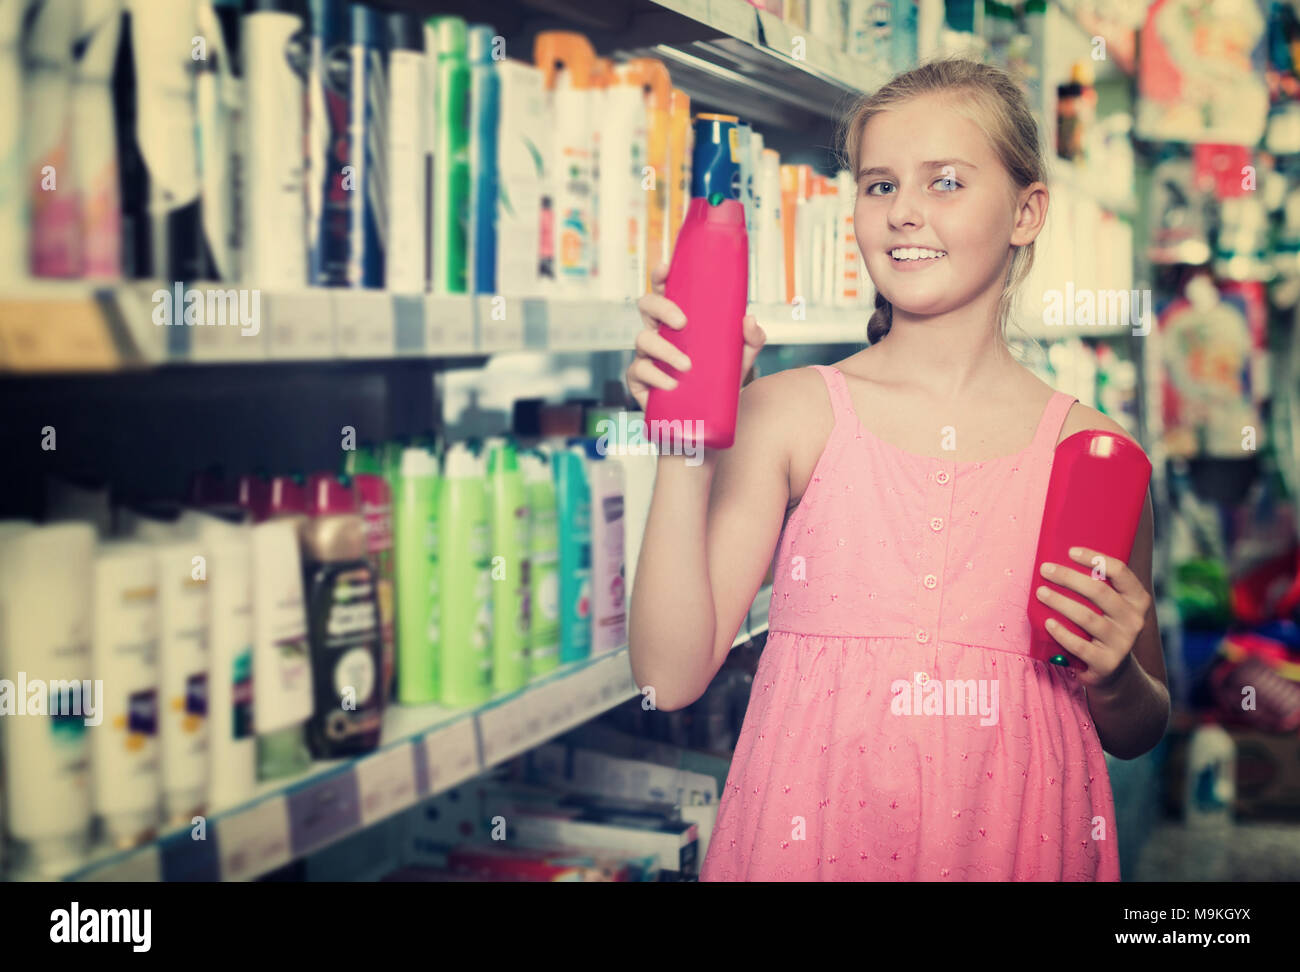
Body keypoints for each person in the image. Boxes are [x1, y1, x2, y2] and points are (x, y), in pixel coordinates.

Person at [624, 57, 1170, 881]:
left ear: (1027, 212)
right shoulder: (790, 414)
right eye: (878, 186)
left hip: (1016, 843)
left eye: (945, 181)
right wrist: (685, 437)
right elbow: (667, 678)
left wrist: (1116, 672)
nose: (904, 212)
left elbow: (1136, 728)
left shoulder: (1092, 457)